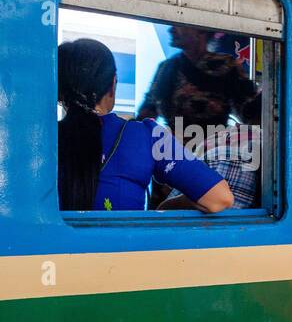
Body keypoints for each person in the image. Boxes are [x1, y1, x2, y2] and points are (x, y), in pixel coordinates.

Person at [57, 38, 233, 214]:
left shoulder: (40, 141)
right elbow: (220, 198)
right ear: (112, 85)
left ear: (59, 91)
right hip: (123, 242)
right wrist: (168, 206)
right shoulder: (146, 136)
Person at [137, 25, 259, 135]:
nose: (171, 29)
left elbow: (250, 114)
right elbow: (147, 113)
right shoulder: (167, 68)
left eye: (178, 24)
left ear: (201, 29)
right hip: (172, 154)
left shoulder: (226, 66)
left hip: (212, 154)